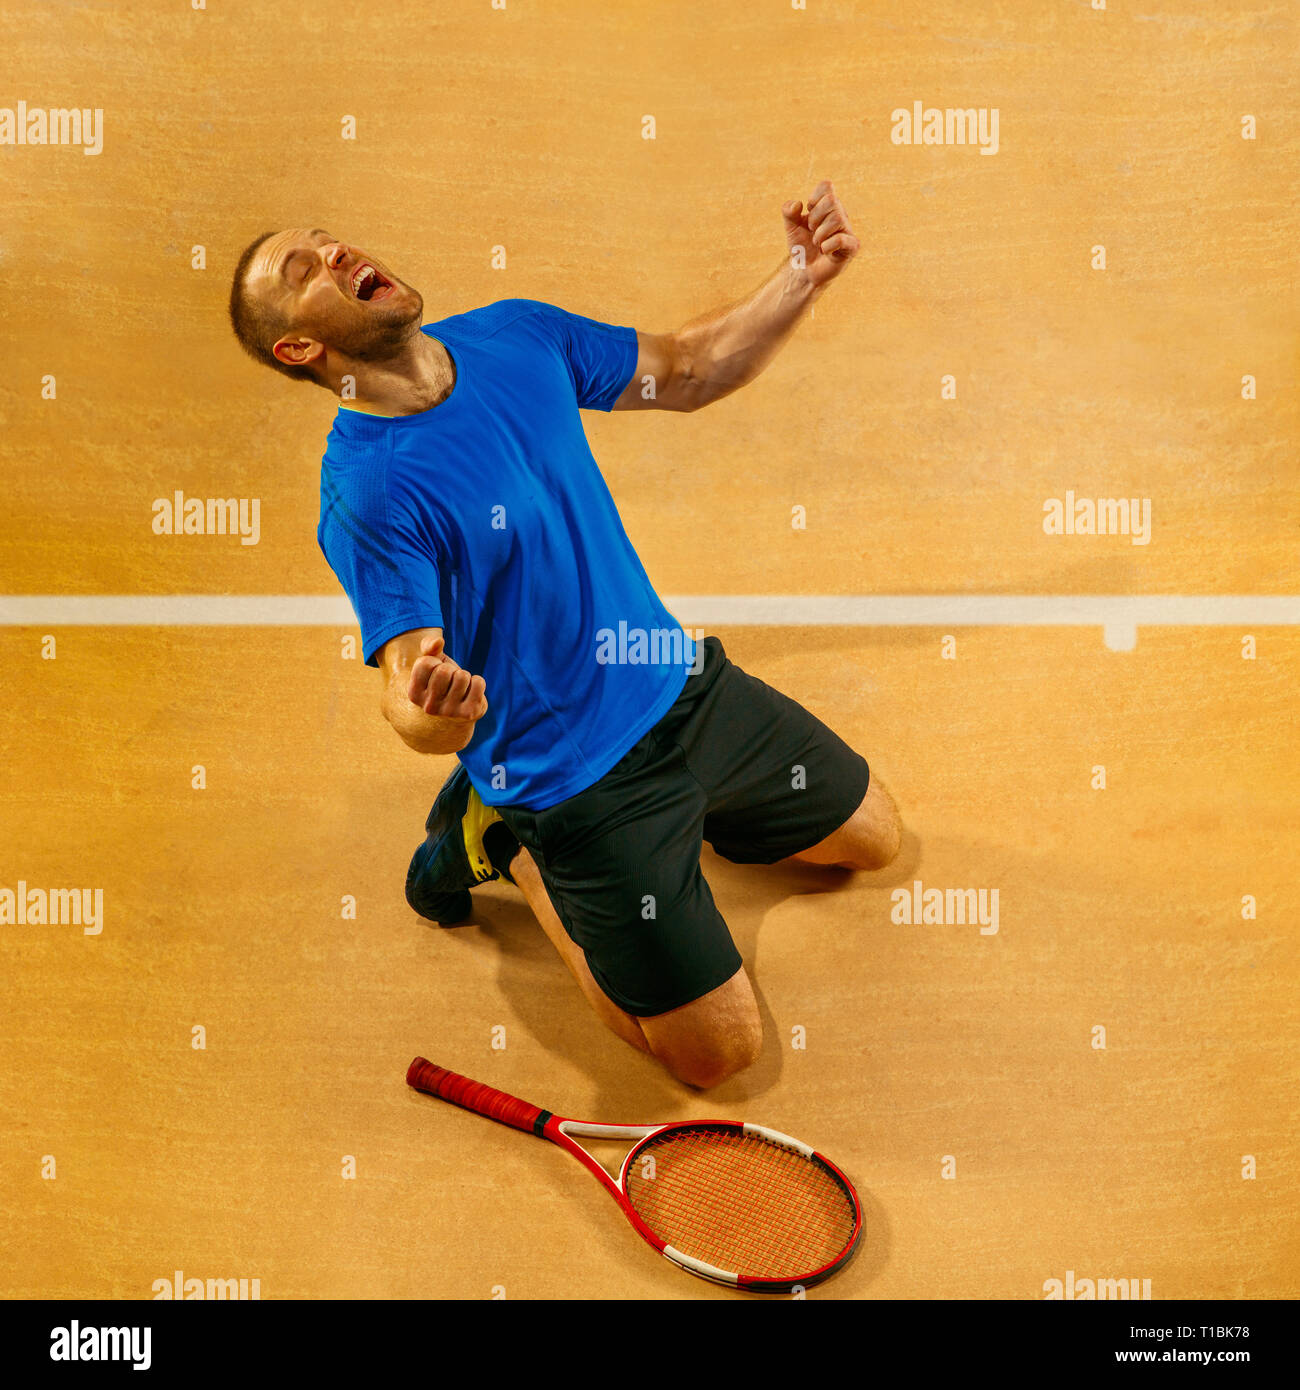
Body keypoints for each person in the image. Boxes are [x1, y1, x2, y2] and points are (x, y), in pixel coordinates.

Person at [227, 180, 901, 1088]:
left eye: (330, 238)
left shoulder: (516, 335)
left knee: (872, 839)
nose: (340, 252)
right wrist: (443, 712)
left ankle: (682, 826)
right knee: (718, 1056)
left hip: (676, 683)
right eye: (306, 268)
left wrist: (799, 276)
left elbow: (693, 367)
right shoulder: (369, 493)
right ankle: (502, 840)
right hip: (574, 782)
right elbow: (408, 694)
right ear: (300, 346)